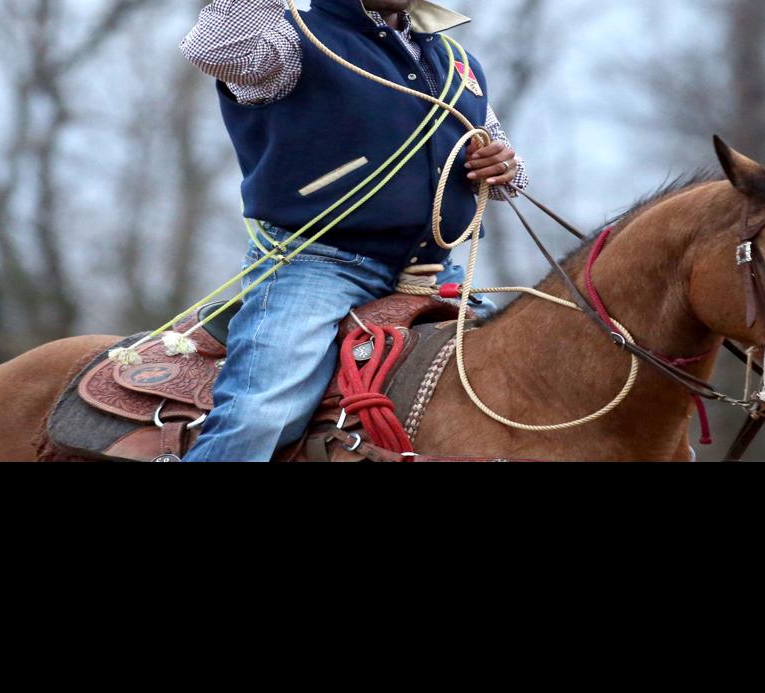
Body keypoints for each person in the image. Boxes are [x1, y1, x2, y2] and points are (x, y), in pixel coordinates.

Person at [178, 0, 526, 461]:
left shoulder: (455, 59)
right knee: (260, 415)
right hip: (317, 266)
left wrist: (504, 165)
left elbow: (505, 165)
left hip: (436, 274)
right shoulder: (292, 39)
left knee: (525, 382)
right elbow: (218, 48)